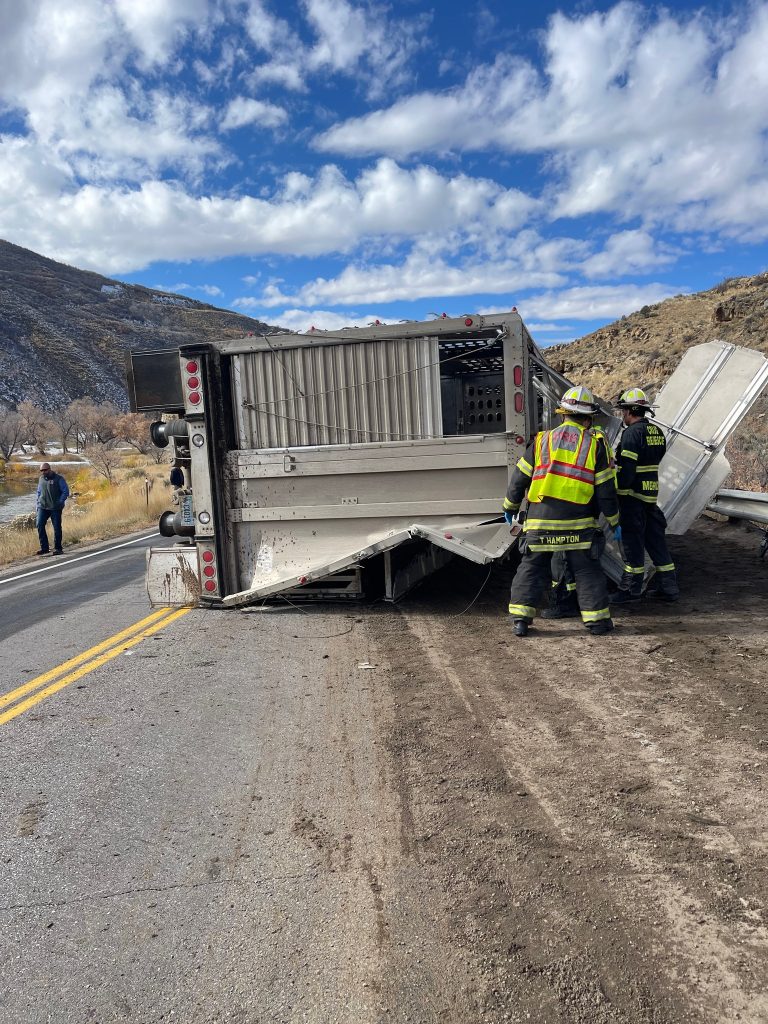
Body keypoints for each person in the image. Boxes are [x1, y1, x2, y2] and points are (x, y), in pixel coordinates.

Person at [503, 386, 621, 637]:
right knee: (587, 570)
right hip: (579, 523)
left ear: (563, 414)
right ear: (588, 418)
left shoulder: (541, 440)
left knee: (531, 568)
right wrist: (614, 520)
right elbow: (605, 490)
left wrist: (510, 507)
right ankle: (597, 623)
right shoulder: (595, 444)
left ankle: (521, 621)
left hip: (539, 521)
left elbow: (519, 479)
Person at [542, 422, 617, 620]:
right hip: (588, 507)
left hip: (572, 507)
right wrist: (613, 518)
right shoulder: (597, 438)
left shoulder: (575, 439)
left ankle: (565, 602)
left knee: (562, 559)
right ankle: (582, 606)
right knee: (583, 562)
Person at [612, 388, 679, 603]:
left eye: (623, 410)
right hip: (650, 496)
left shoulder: (631, 433)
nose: (622, 415)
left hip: (633, 497)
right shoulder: (657, 433)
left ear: (632, 410)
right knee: (656, 542)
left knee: (632, 545)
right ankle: (669, 587)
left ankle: (630, 590)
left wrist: (619, 495)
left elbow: (629, 470)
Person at [36, 462, 69, 556]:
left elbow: (65, 491)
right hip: (42, 507)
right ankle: (44, 548)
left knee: (57, 527)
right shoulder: (41, 479)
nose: (43, 472)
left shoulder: (59, 479)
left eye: (45, 470)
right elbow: (39, 492)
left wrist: (60, 501)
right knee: (39, 525)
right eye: (41, 470)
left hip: (55, 508)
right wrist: (37, 504)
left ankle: (58, 548)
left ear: (49, 469)